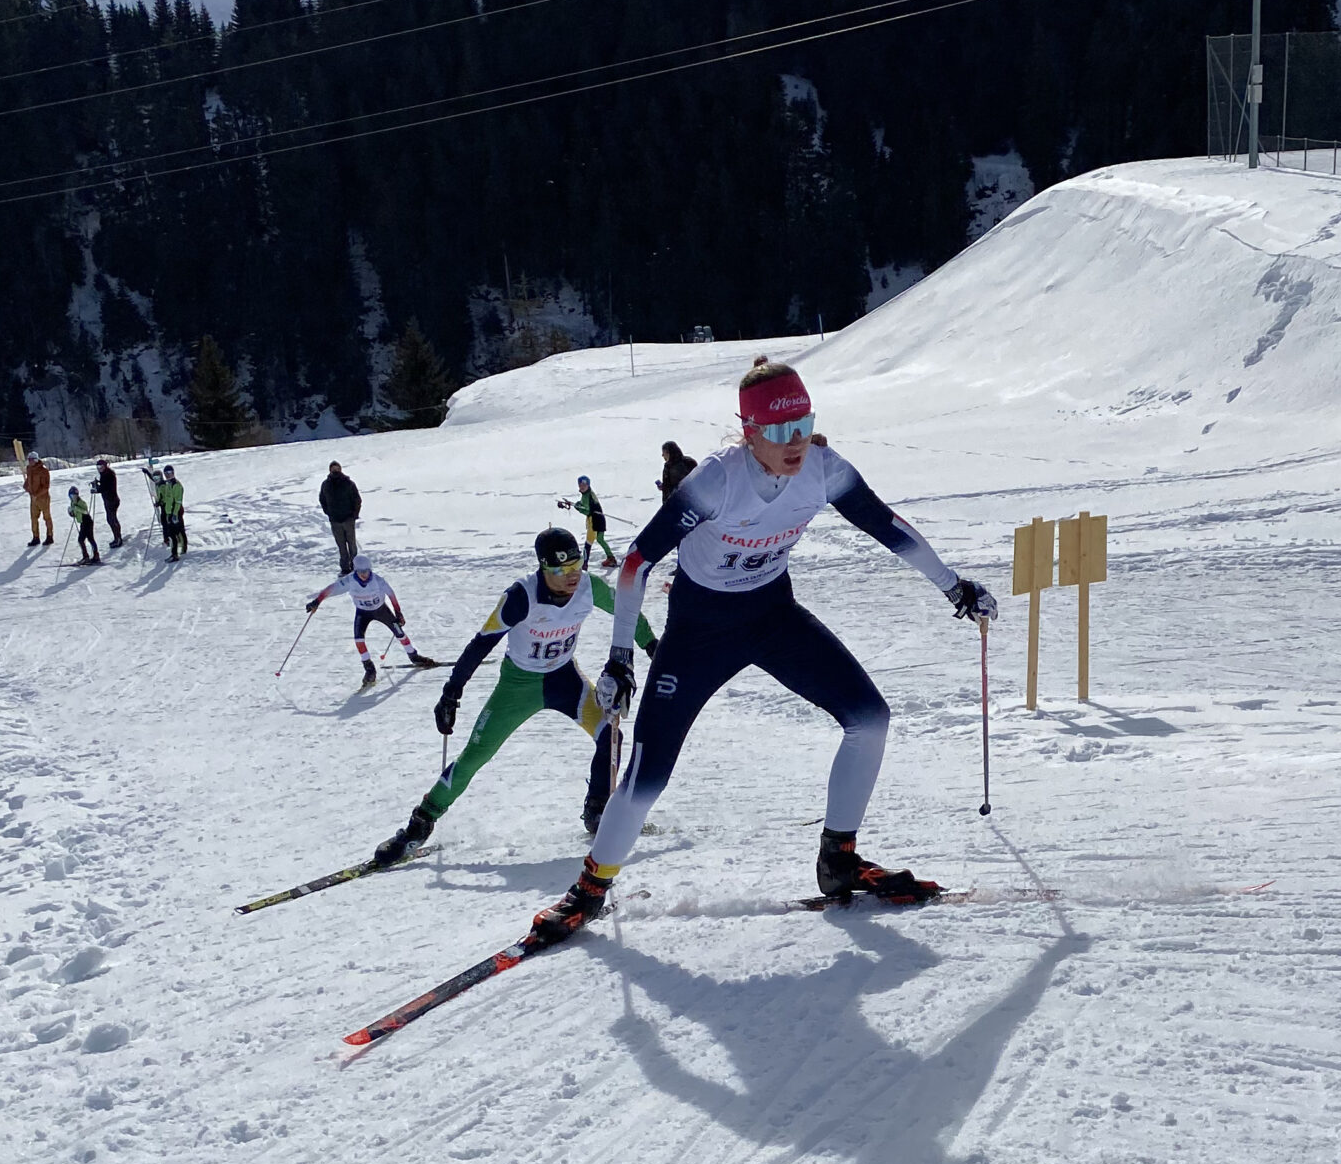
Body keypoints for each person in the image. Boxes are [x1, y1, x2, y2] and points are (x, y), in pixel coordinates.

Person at [524, 356, 997, 947]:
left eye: (802, 423)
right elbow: (637, 563)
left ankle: (839, 860)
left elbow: (889, 527)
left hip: (773, 616)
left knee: (870, 719)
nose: (793, 441)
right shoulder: (717, 482)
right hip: (699, 632)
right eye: (776, 431)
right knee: (648, 774)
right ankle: (589, 890)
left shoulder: (822, 470)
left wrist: (955, 587)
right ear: (749, 432)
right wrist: (620, 655)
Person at [369, 529, 660, 868]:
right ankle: (418, 826)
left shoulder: (588, 587)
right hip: (517, 686)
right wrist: (451, 692)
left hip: (565, 679)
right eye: (560, 570)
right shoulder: (521, 597)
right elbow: (481, 643)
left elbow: (627, 612)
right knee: (475, 755)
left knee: (610, 735)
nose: (571, 576)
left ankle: (597, 812)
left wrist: (653, 646)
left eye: (577, 565)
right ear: (542, 568)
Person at [306, 552, 436, 689]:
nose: (364, 574)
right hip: (362, 613)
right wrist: (317, 602)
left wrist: (398, 612)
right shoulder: (349, 580)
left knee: (400, 633)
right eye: (361, 571)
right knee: (359, 640)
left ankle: (414, 656)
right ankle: (369, 669)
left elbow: (391, 594)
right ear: (355, 570)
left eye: (367, 571)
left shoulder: (378, 580)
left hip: (381, 611)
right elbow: (331, 589)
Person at [559, 474, 619, 568]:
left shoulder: (587, 496)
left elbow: (587, 510)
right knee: (600, 539)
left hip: (594, 521)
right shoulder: (589, 494)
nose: (582, 487)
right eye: (580, 485)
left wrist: (578, 508)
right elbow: (585, 505)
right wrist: (578, 505)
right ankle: (611, 558)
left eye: (584, 485)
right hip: (600, 519)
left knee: (588, 543)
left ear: (588, 485)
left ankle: (584, 565)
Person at [319, 459, 362, 573]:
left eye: (337, 468)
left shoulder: (348, 483)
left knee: (352, 545)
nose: (335, 470)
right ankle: (345, 568)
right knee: (341, 546)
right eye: (333, 468)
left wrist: (354, 515)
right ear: (330, 470)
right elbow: (322, 500)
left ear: (340, 469)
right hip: (335, 520)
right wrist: (329, 512)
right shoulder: (326, 484)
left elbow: (357, 499)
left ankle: (355, 566)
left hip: (348, 519)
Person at [156, 466, 188, 559]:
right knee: (173, 533)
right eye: (165, 473)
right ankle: (176, 552)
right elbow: (167, 498)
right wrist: (160, 502)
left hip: (176, 512)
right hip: (169, 512)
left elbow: (178, 501)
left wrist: (174, 514)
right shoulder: (168, 484)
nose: (167, 475)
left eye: (169, 473)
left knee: (177, 531)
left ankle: (177, 552)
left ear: (173, 473)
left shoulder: (176, 485)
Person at [23, 451, 53, 547]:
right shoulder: (29, 469)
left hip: (43, 498)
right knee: (33, 518)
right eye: (29, 460)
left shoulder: (43, 471)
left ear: (36, 460)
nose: (30, 462)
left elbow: (46, 486)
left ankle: (49, 536)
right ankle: (36, 537)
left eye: (31, 460)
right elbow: (28, 480)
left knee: (46, 517)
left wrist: (37, 494)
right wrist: (26, 486)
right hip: (33, 498)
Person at [92, 458, 123, 548]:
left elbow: (106, 488)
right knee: (112, 519)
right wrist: (98, 484)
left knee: (111, 520)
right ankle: (117, 537)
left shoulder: (108, 474)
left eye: (101, 466)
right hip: (109, 500)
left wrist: (97, 489)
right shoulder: (104, 474)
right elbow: (103, 486)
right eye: (98, 467)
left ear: (105, 466)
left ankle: (118, 539)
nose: (99, 468)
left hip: (112, 500)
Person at [66, 485, 101, 563]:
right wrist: (71, 513)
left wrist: (75, 508)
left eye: (75, 495)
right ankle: (91, 556)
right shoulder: (72, 503)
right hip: (82, 523)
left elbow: (85, 511)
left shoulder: (81, 502)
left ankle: (90, 556)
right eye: (72, 496)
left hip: (87, 522)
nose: (73, 497)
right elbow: (75, 514)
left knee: (84, 539)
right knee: (85, 539)